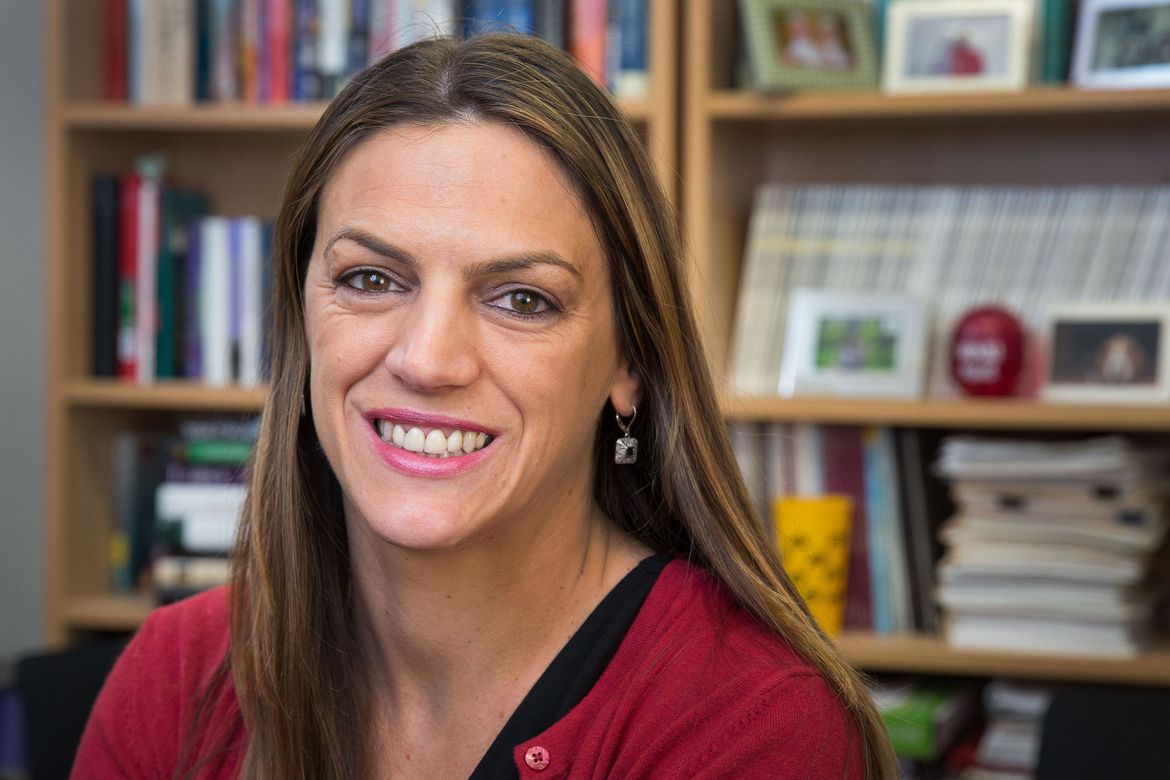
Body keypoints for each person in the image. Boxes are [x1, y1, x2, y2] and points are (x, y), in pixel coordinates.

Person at [73, 34, 898, 779]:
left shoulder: (752, 721)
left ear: (630, 362)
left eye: (522, 300)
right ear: (303, 320)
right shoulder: (179, 675)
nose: (427, 360)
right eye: (371, 280)